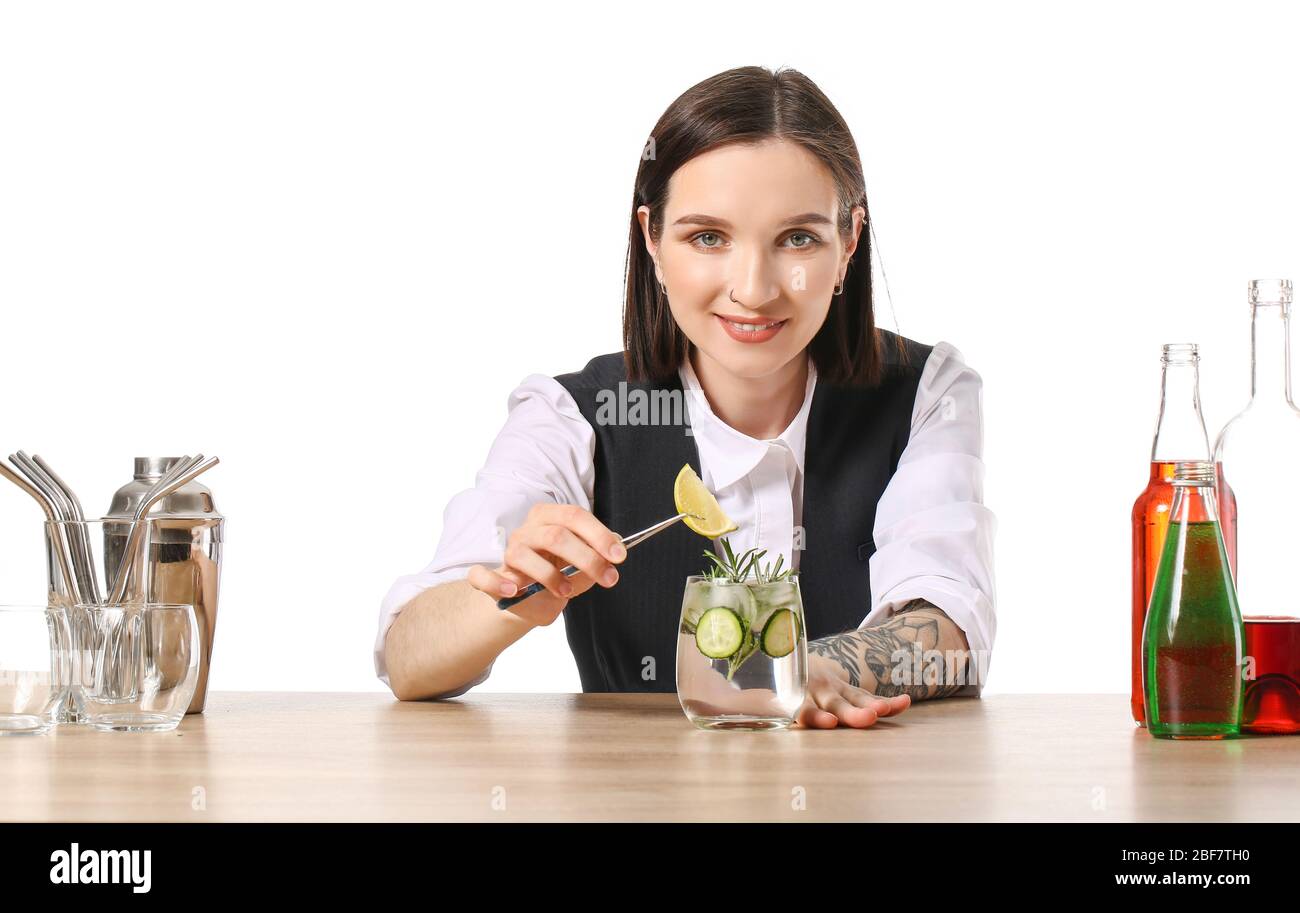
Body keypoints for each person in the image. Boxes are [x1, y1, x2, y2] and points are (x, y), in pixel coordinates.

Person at [376, 65, 996, 729]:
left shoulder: (926, 393)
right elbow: (409, 658)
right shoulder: (571, 416)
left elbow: (950, 630)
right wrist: (512, 598)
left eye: (798, 238)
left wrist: (815, 666)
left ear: (848, 242)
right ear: (652, 240)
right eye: (708, 237)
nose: (754, 288)